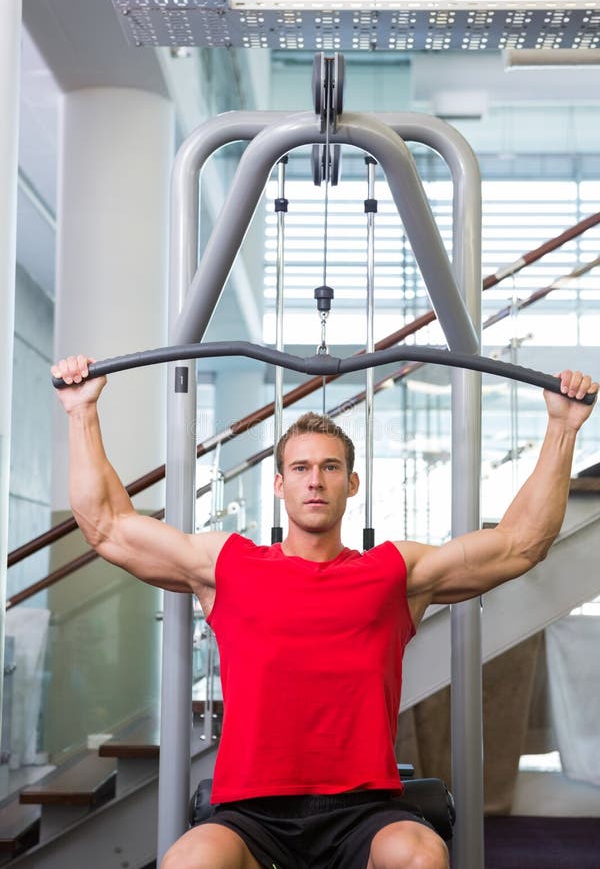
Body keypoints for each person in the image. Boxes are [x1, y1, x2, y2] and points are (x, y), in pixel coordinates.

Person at [52, 354, 597, 869]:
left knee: (420, 855)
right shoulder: (228, 566)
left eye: (330, 467)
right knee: (188, 861)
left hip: (363, 812)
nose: (315, 480)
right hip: (252, 816)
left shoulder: (392, 573)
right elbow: (108, 527)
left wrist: (563, 427)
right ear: (279, 484)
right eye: (301, 467)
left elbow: (519, 545)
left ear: (351, 483)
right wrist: (82, 411)